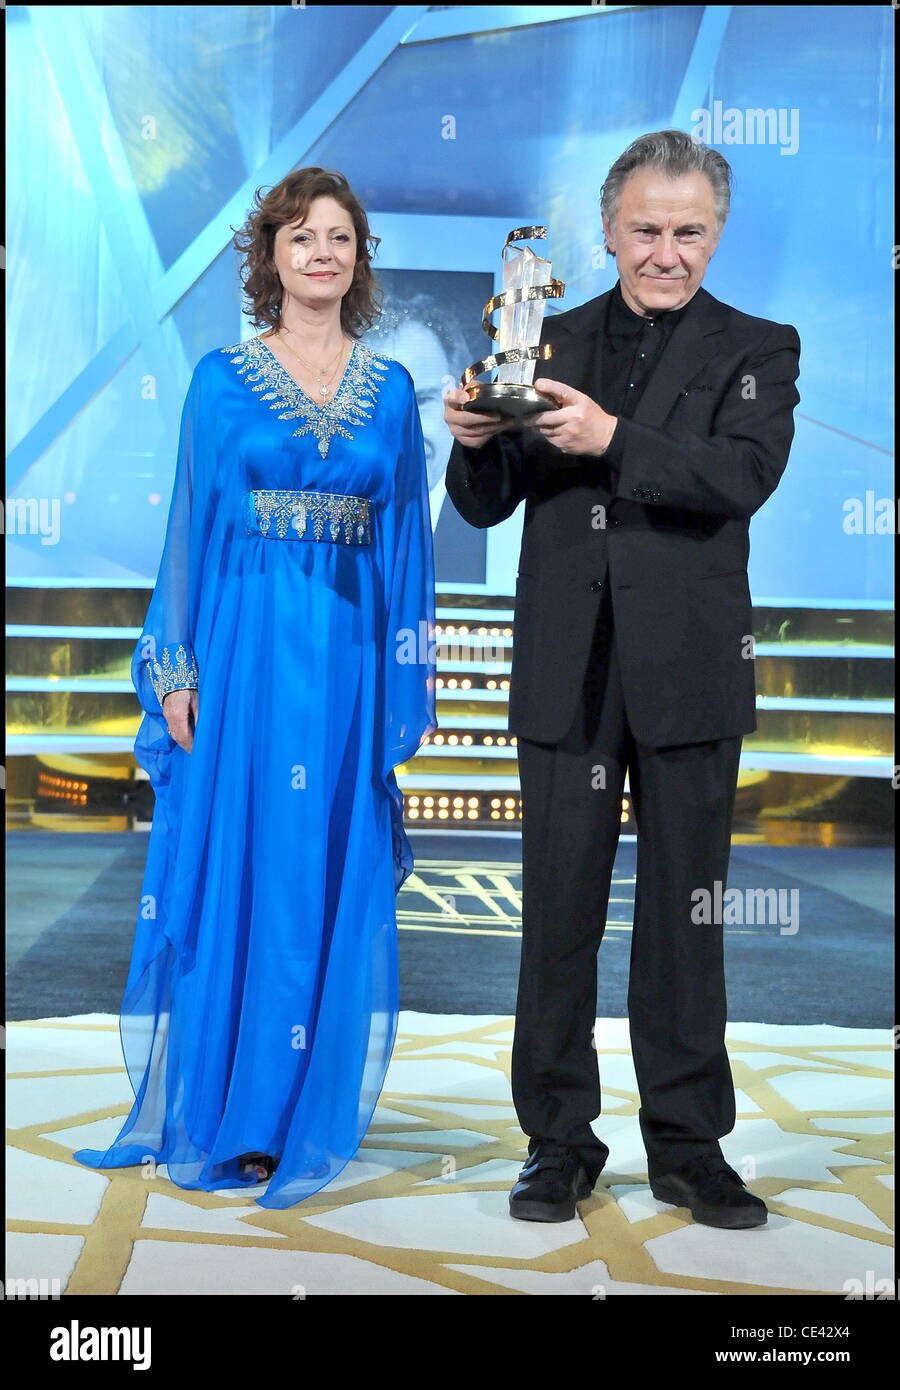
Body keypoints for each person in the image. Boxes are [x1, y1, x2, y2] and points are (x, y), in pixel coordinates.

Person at [443, 130, 800, 1229]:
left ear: (717, 232)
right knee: (556, 918)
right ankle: (557, 1142)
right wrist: (468, 440)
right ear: (606, 230)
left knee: (686, 922)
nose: (666, 251)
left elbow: (739, 476)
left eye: (688, 231)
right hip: (569, 670)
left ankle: (691, 1150)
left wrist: (608, 437)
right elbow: (487, 502)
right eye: (646, 229)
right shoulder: (539, 334)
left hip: (689, 676)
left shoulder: (759, 346)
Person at [73, 167, 437, 1209]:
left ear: (360, 259)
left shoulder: (394, 389)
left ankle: (297, 1114)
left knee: (323, 868)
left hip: (351, 660)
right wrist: (174, 668)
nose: (323, 251)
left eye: (341, 237)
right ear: (269, 255)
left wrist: (408, 668)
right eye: (303, 236)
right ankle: (234, 1114)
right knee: (246, 868)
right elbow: (187, 529)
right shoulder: (220, 381)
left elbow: (409, 541)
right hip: (241, 659)